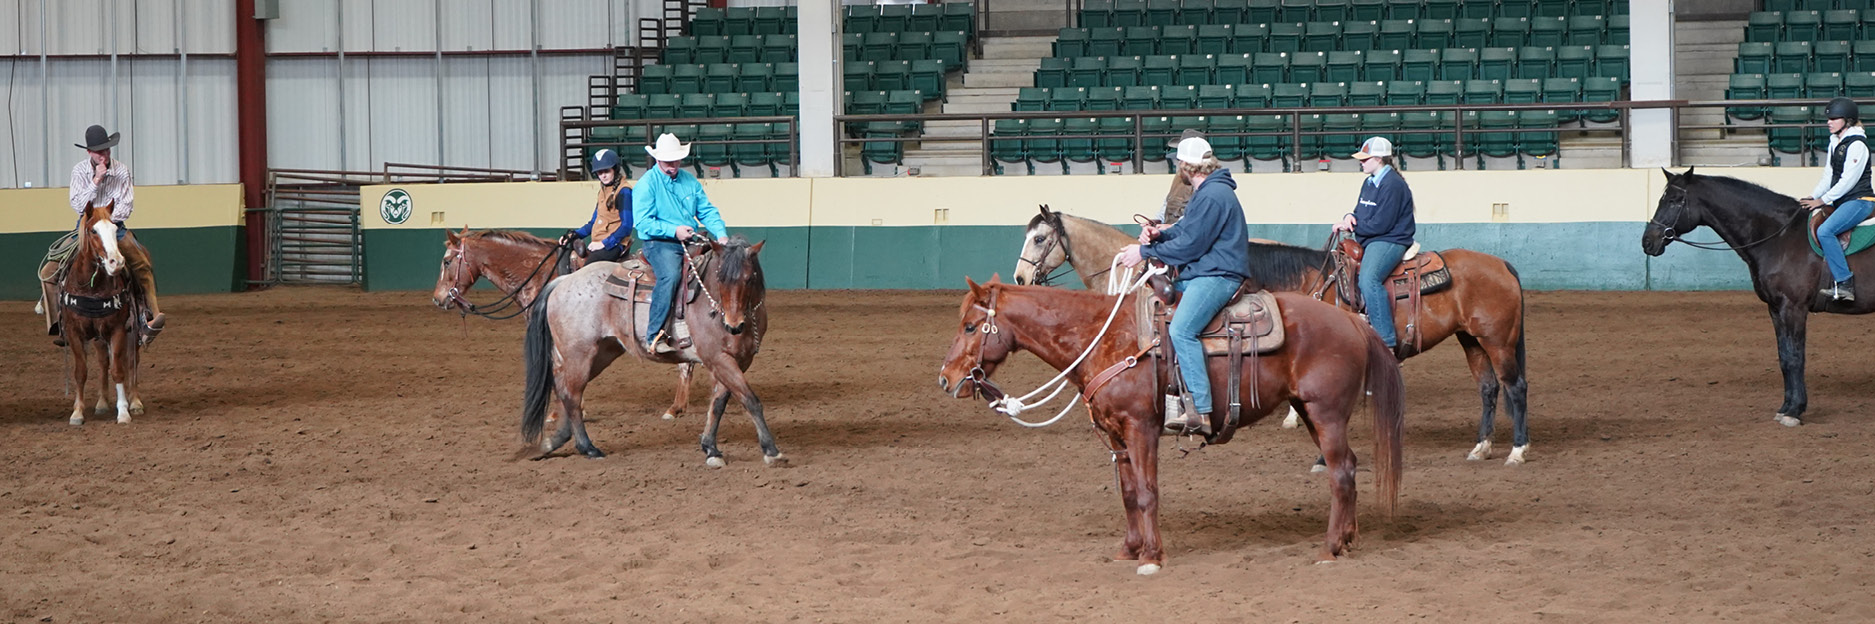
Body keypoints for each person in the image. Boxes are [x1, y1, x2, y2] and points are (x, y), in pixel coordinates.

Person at [1120, 137, 1250, 435]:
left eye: (1178, 161)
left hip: (1218, 275)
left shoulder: (1212, 195)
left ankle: (1201, 411)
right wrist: (1159, 235)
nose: (1177, 166)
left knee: (1181, 329)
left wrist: (1143, 252)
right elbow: (1186, 230)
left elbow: (1191, 245)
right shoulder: (1208, 192)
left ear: (1187, 165)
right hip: (1205, 270)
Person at [39, 125, 164, 347]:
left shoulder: (122, 171)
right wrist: (95, 181)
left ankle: (150, 319)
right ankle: (60, 323)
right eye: (99, 152)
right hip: (86, 228)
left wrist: (106, 222)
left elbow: (126, 206)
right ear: (89, 153)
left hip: (114, 226)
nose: (104, 155)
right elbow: (78, 204)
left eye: (106, 150)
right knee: (49, 272)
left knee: (141, 264)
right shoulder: (79, 172)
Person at [632, 133, 729, 353]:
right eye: (667, 162)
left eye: (675, 161)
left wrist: (721, 234)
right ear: (657, 160)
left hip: (689, 239)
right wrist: (673, 230)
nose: (672, 166)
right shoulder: (647, 184)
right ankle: (654, 334)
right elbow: (643, 223)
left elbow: (706, 210)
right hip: (659, 243)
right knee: (670, 275)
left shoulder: (689, 181)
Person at [1332, 136, 1417, 353]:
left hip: (1390, 239)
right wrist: (1350, 216)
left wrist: (1351, 227)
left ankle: (1386, 342)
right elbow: (1361, 210)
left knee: (1369, 279)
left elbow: (1382, 224)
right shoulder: (1369, 182)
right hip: (1373, 237)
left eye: (1365, 158)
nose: (1361, 162)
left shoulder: (1393, 185)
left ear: (1378, 158)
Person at [1802, 97, 1871, 302]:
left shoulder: (1858, 145)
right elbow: (1829, 176)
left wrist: (1823, 200)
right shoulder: (1835, 142)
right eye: (1828, 118)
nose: (1828, 122)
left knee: (1825, 231)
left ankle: (1844, 282)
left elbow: (1848, 181)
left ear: (1847, 121)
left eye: (1834, 118)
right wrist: (1813, 196)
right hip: (1842, 201)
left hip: (1860, 200)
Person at [561, 149, 635, 265]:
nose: (603, 175)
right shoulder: (603, 191)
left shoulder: (624, 191)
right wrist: (575, 234)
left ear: (615, 169)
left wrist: (604, 243)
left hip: (614, 245)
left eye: (606, 171)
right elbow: (593, 222)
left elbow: (626, 226)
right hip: (598, 242)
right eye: (600, 173)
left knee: (588, 271)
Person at [1156, 129, 1205, 225]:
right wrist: (1157, 220)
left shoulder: (1202, 180)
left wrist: (1170, 228)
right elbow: (1167, 203)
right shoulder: (1179, 176)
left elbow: (1195, 214)